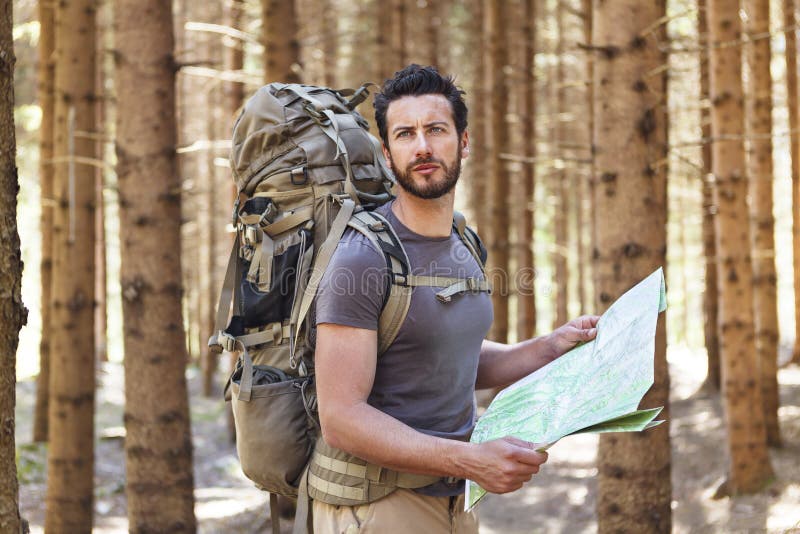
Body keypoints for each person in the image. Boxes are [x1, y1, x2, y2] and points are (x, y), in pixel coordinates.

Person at [310, 64, 600, 533]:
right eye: (405, 134)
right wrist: (469, 459)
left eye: (436, 129)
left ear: (464, 142)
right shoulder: (361, 258)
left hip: (456, 499)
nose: (422, 146)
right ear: (387, 154)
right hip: (377, 506)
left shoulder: (463, 242)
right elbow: (341, 417)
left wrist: (549, 346)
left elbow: (449, 357)